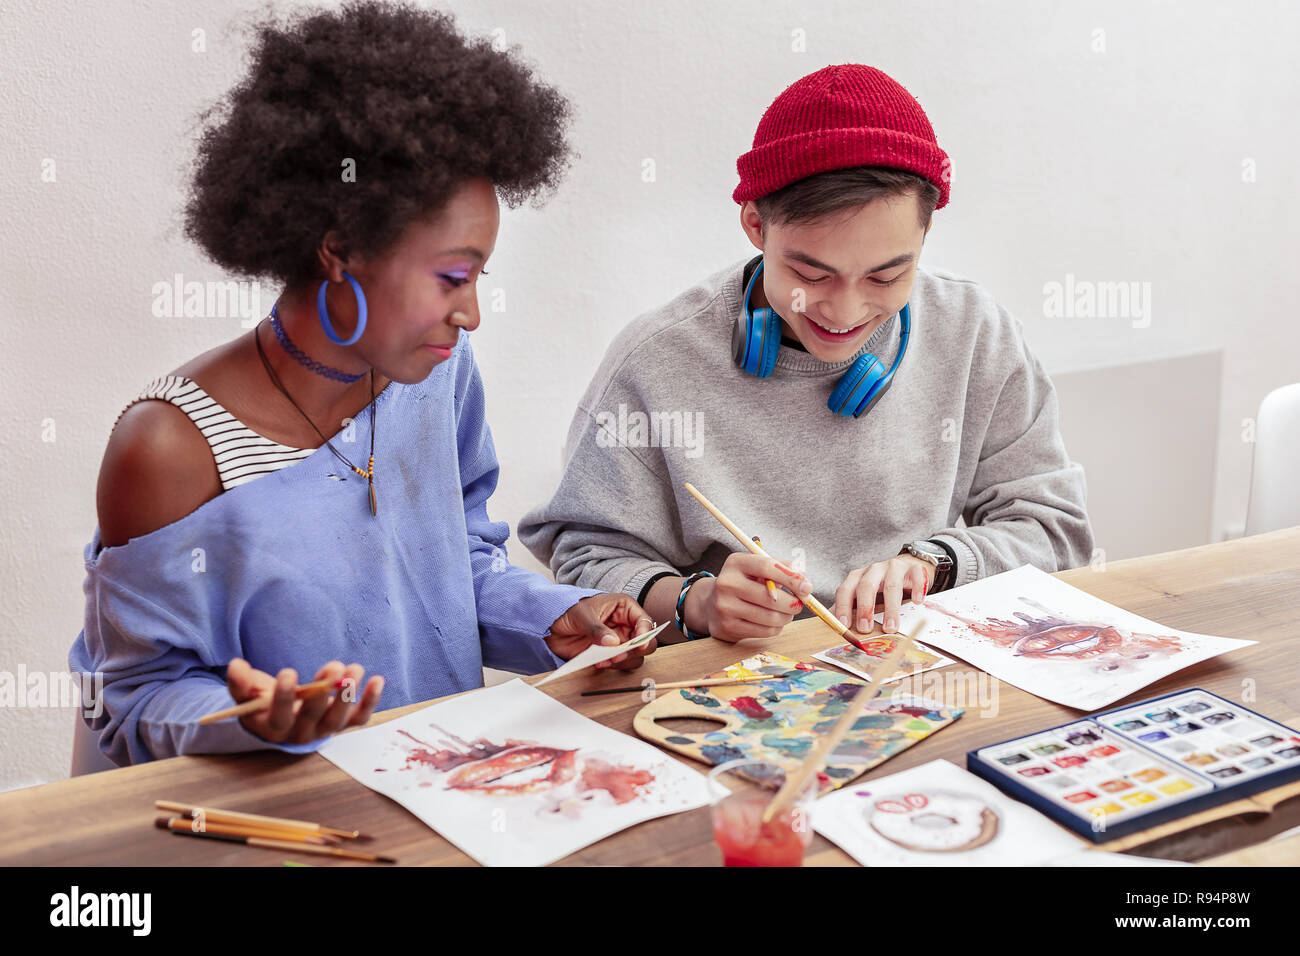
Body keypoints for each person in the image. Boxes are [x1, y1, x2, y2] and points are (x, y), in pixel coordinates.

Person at [69, 2, 654, 767]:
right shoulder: (170, 447)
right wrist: (250, 717)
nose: (471, 314)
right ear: (341, 250)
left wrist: (554, 616)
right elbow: (137, 695)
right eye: (452, 277)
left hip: (427, 795)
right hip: (259, 826)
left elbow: (456, 566)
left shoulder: (435, 376)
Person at [519, 63, 1095, 646]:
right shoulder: (654, 362)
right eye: (809, 273)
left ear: (924, 238)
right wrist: (697, 602)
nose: (845, 314)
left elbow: (1056, 531)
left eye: (887, 276)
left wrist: (936, 565)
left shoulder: (977, 333)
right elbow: (586, 556)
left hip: (912, 674)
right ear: (755, 226)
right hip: (734, 686)